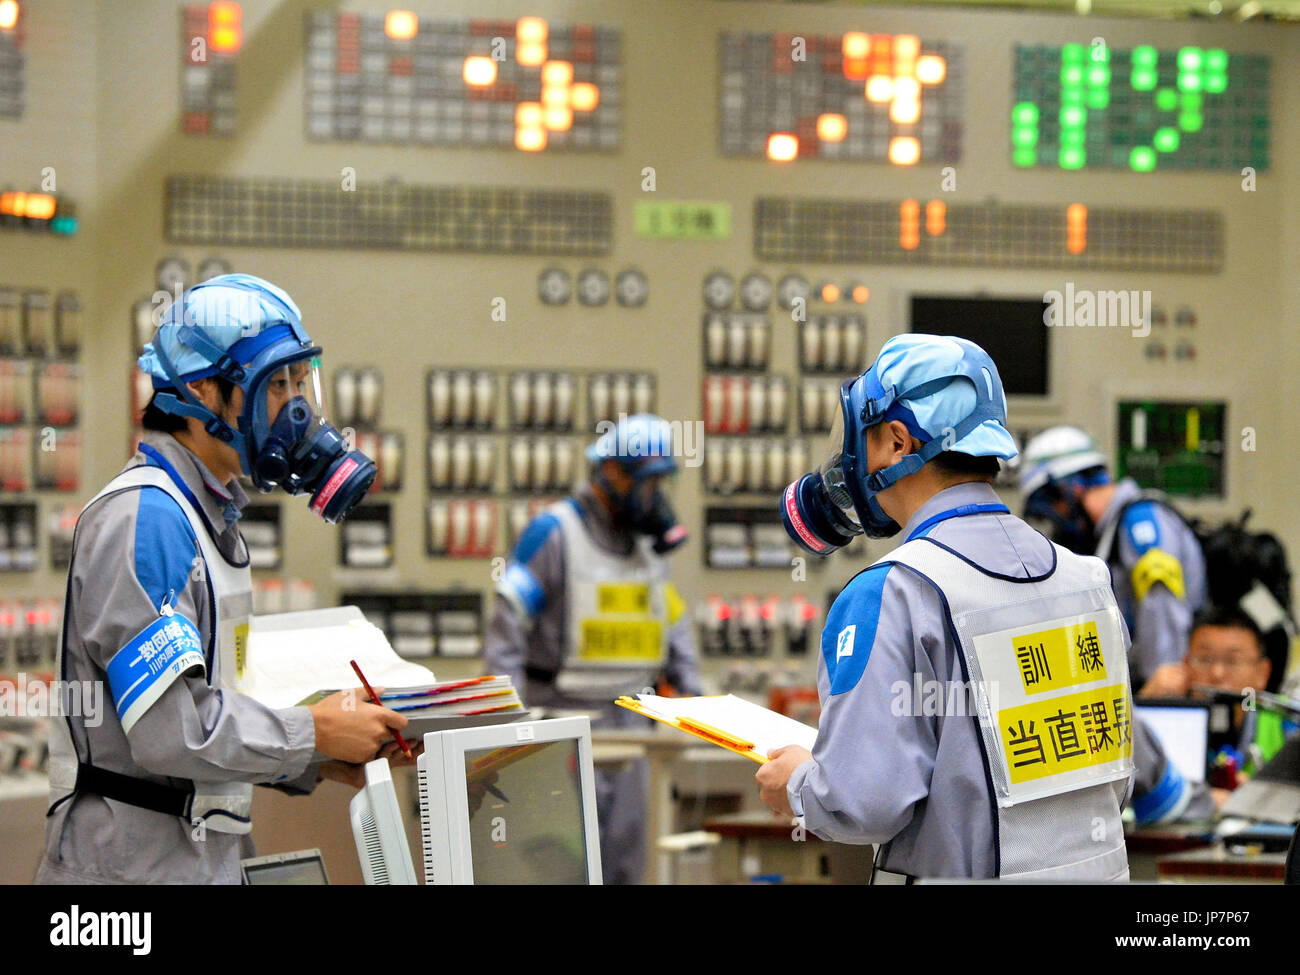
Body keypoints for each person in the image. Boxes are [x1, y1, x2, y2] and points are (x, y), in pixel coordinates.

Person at [38, 274, 411, 884]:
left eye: (302, 383)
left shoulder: (206, 515)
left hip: (191, 856)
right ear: (202, 391)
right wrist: (313, 731)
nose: (299, 410)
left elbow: (212, 715)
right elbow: (171, 733)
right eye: (277, 385)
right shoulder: (147, 519)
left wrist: (315, 758)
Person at [759, 334, 1134, 882]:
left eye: (860, 438)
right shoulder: (1088, 580)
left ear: (895, 442)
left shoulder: (894, 591)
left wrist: (796, 784)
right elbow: (1117, 776)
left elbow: (863, 803)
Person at [484, 413, 701, 884]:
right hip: (558, 722)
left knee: (628, 862)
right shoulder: (554, 534)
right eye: (647, 482)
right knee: (559, 867)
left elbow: (673, 624)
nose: (653, 498)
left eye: (661, 483)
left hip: (634, 729)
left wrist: (692, 697)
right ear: (612, 474)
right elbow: (506, 629)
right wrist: (507, 727)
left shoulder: (647, 548)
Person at [1018, 426, 1207, 687]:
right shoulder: (1111, 533)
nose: (1055, 519)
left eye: (1051, 507)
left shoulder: (1141, 524)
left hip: (1165, 695)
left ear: (1069, 490)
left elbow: (1162, 621)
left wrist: (1159, 693)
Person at [1142, 605, 1294, 770]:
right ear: (1185, 664)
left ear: (1262, 672)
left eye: (1232, 661)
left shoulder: (1286, 717)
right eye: (1205, 659)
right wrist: (1145, 706)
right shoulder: (1168, 717)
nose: (1217, 673)